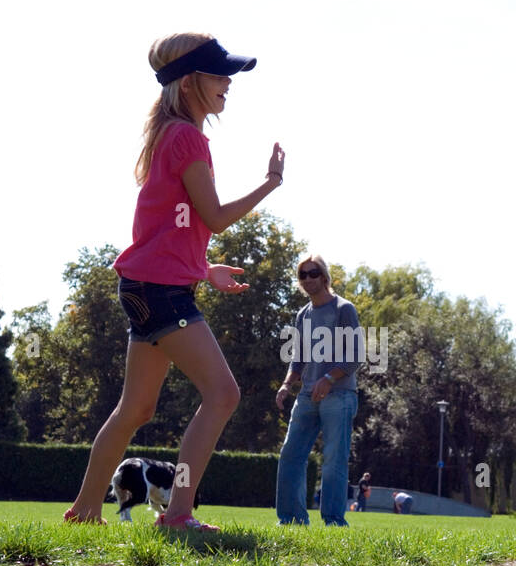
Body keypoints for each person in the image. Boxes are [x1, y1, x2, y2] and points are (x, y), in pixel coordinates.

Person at [64, 33, 285, 531]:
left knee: (136, 408)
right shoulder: (186, 137)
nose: (228, 82)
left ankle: (84, 511)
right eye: (219, 74)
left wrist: (204, 269)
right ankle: (179, 514)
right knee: (223, 394)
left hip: (149, 288)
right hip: (161, 293)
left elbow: (168, 231)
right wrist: (270, 183)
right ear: (190, 84)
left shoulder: (171, 134)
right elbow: (215, 217)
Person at [275, 255, 362, 526]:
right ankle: (291, 520)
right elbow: (298, 356)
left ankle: (334, 521)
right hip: (306, 396)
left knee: (334, 459)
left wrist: (328, 378)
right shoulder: (303, 314)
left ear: (324, 277)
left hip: (339, 395)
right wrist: (287, 384)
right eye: (303, 275)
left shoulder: (343, 309)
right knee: (291, 454)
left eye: (313, 273)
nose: (308, 279)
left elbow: (356, 355)